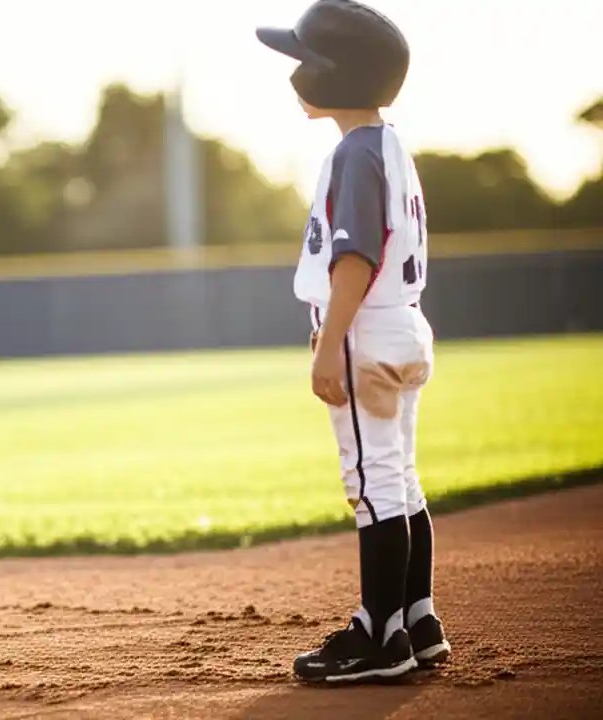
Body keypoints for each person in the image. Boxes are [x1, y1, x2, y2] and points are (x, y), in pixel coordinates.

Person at [256, 0, 449, 684]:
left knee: (371, 487)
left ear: (334, 75)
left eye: (304, 60)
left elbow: (355, 257)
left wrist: (327, 343)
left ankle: (380, 636)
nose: (295, 72)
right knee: (399, 481)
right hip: (403, 324)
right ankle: (418, 619)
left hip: (364, 329)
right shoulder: (389, 144)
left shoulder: (352, 153)